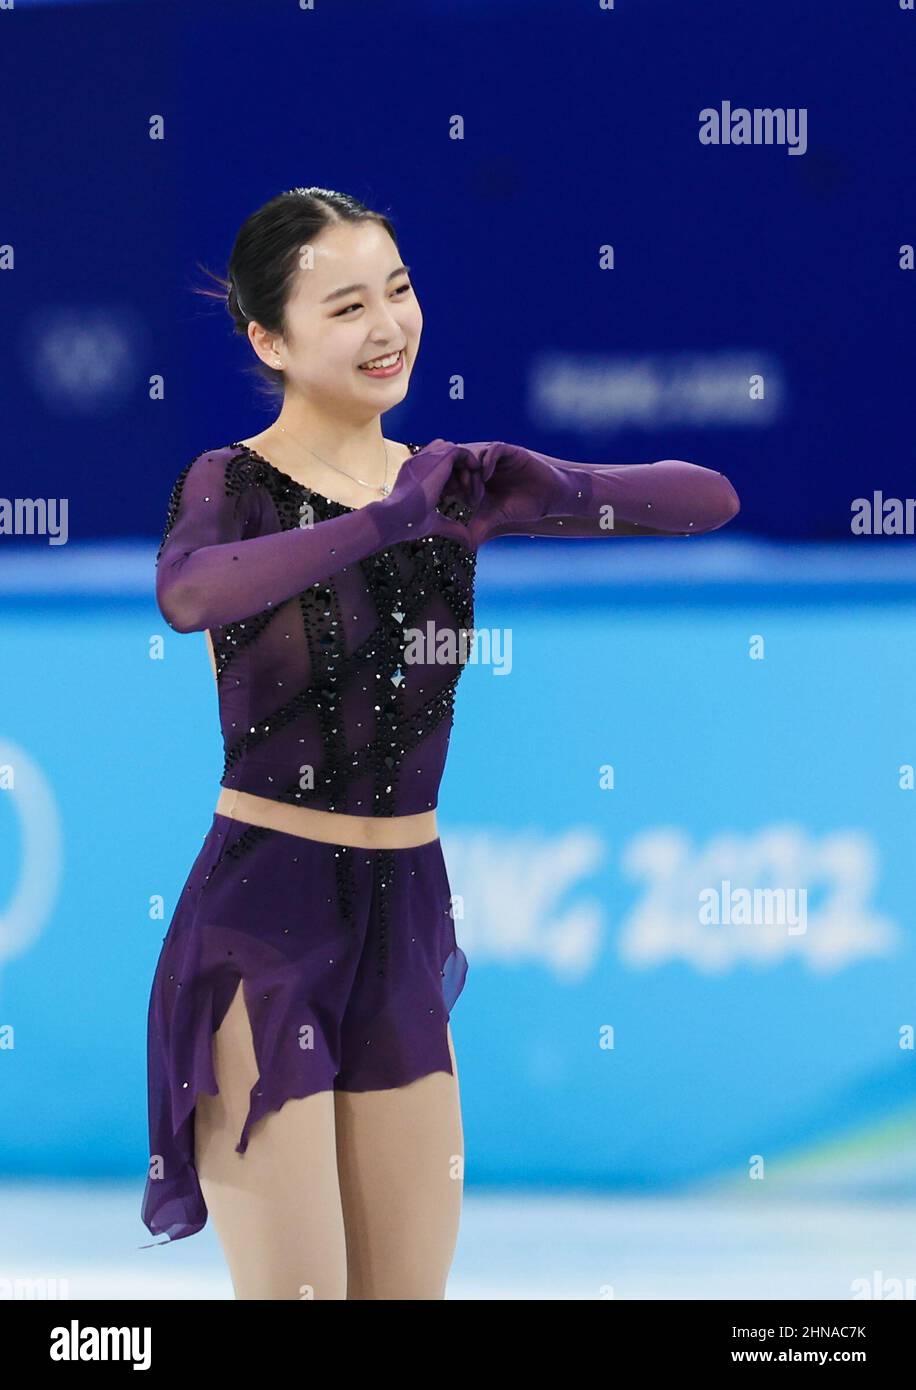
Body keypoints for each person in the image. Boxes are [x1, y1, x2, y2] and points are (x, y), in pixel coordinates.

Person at [140, 186, 740, 1300]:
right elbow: (189, 594)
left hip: (406, 914)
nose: (387, 327)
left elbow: (707, 497)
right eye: (347, 306)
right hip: (263, 916)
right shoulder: (232, 483)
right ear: (269, 338)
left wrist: (554, 486)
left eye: (400, 291)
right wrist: (382, 522)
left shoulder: (446, 486)